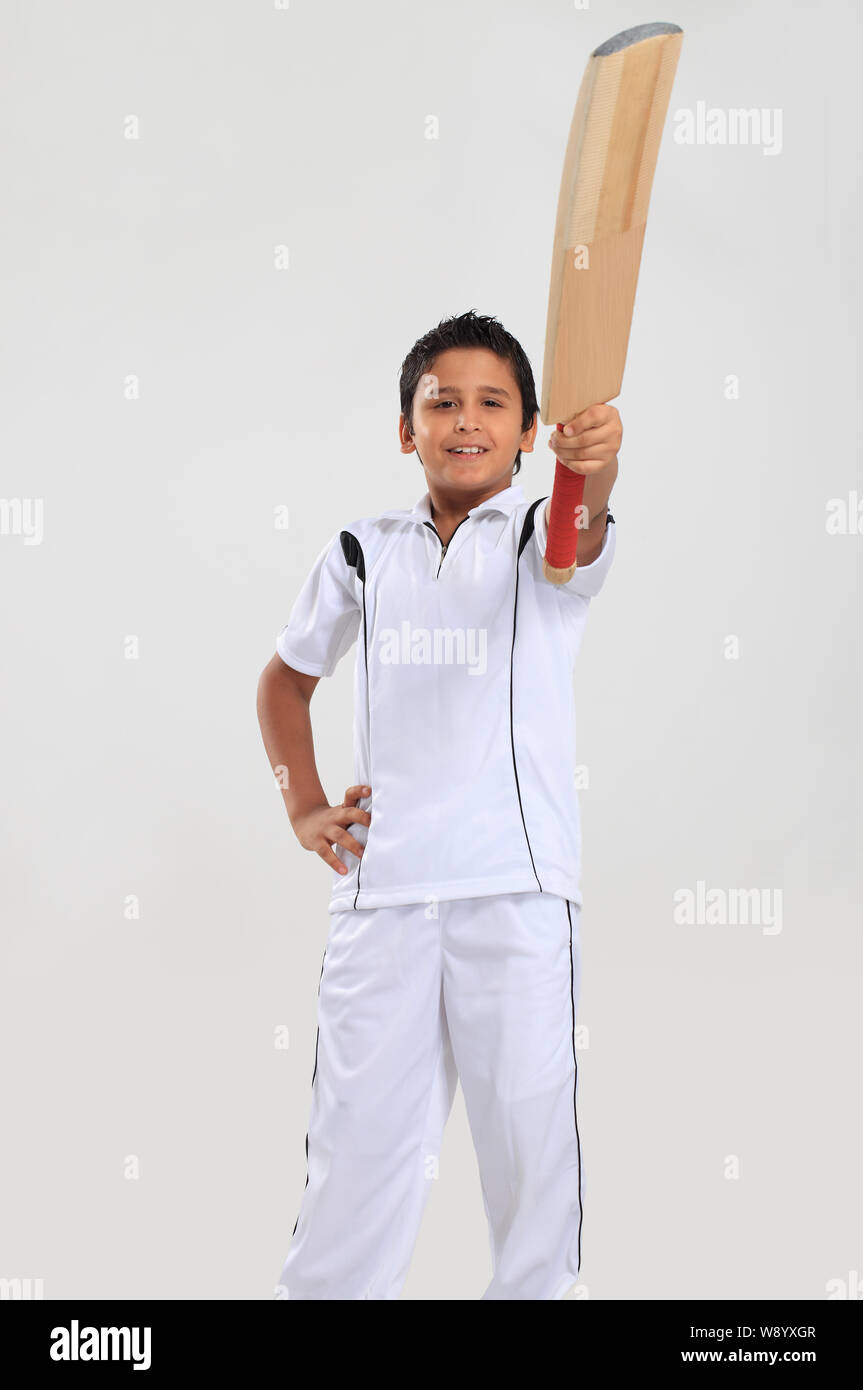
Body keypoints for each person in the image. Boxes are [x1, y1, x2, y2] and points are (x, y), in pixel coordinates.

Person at [257, 309, 620, 1299]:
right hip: (382, 902)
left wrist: (594, 466)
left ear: (530, 429)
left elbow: (576, 531)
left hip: (517, 889)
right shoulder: (359, 551)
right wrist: (305, 806)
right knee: (354, 1155)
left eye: (492, 403)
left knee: (531, 1164)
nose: (465, 420)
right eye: (440, 401)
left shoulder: (537, 538)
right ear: (404, 427)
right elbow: (284, 682)